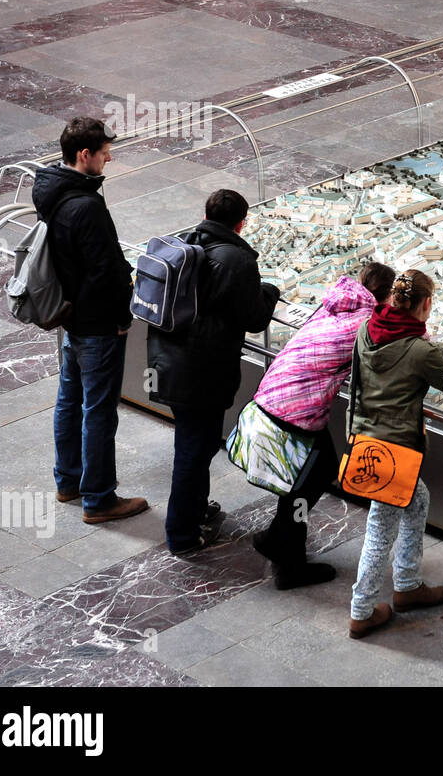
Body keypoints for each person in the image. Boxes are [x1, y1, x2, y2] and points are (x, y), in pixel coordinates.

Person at [347, 270, 443, 639]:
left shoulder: (369, 330)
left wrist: (441, 350)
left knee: (418, 500)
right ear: (426, 304)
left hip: (367, 438)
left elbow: (406, 352)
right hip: (395, 450)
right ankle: (362, 610)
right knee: (379, 527)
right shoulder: (417, 349)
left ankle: (408, 583)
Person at [147, 189, 280, 555]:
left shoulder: (186, 244)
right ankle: (183, 535)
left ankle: (196, 510)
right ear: (241, 222)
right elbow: (254, 317)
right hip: (201, 373)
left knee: (197, 443)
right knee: (193, 450)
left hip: (168, 362)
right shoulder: (237, 261)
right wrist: (269, 291)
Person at [249, 262, 396, 589]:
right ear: (385, 297)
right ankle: (286, 560)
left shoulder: (334, 303)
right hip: (297, 407)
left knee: (311, 474)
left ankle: (280, 540)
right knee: (311, 475)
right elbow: (394, 349)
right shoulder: (367, 322)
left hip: (276, 388)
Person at [31, 117, 148, 524]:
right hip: (97, 323)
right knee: (98, 410)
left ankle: (68, 481)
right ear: (85, 155)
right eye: (103, 153)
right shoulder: (85, 205)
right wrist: (121, 317)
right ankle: (99, 499)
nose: (109, 157)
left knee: (69, 400)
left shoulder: (51, 191)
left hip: (72, 319)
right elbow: (106, 270)